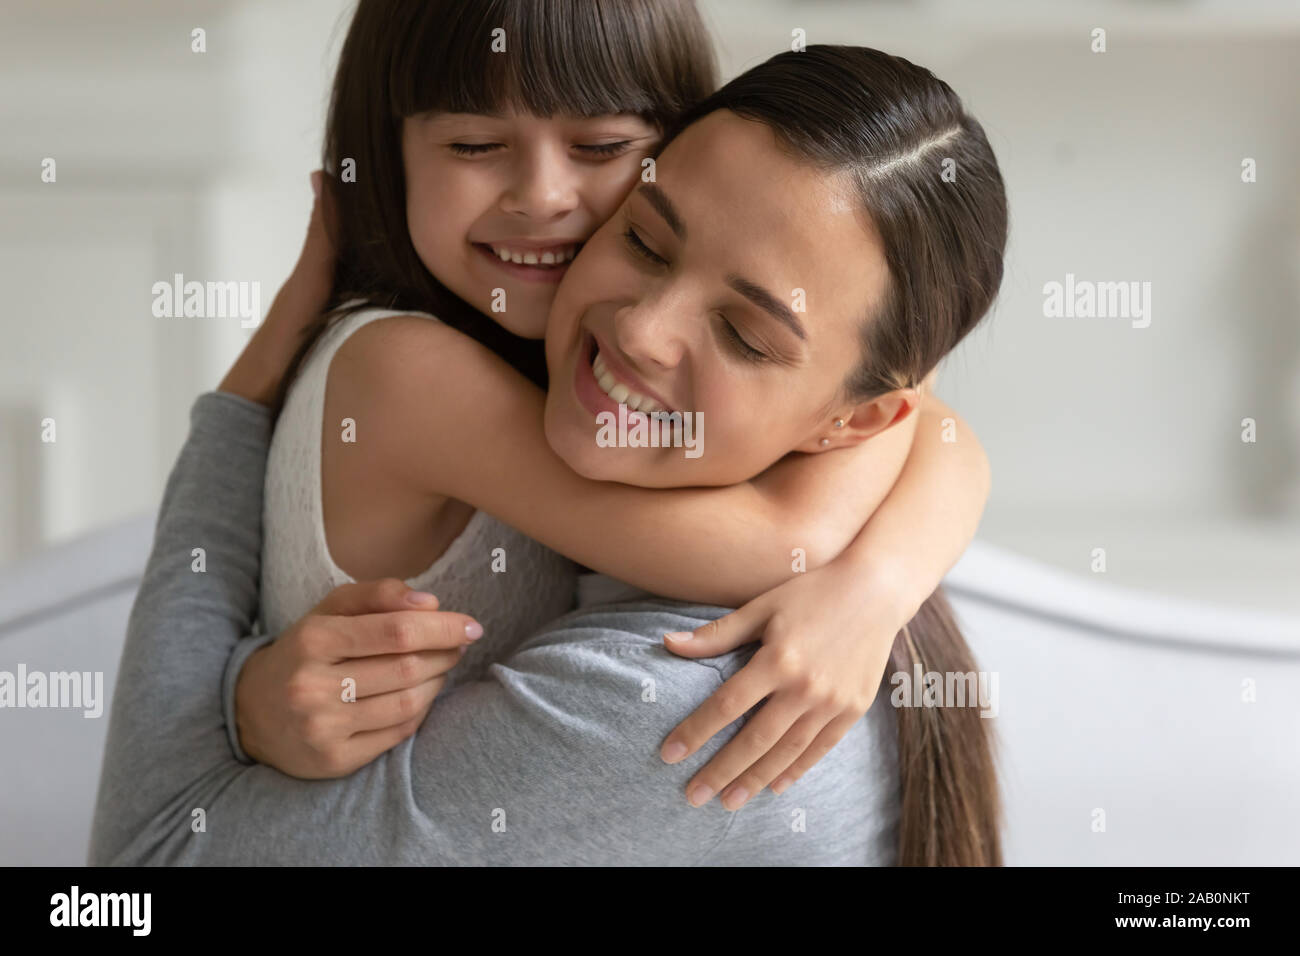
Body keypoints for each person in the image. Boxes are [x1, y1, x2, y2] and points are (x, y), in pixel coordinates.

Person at [89, 42, 1006, 865]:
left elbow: (145, 866)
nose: (643, 330)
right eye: (645, 239)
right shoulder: (845, 519)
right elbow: (935, 428)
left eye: (747, 335)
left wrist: (239, 406)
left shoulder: (683, 698)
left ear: (853, 422)